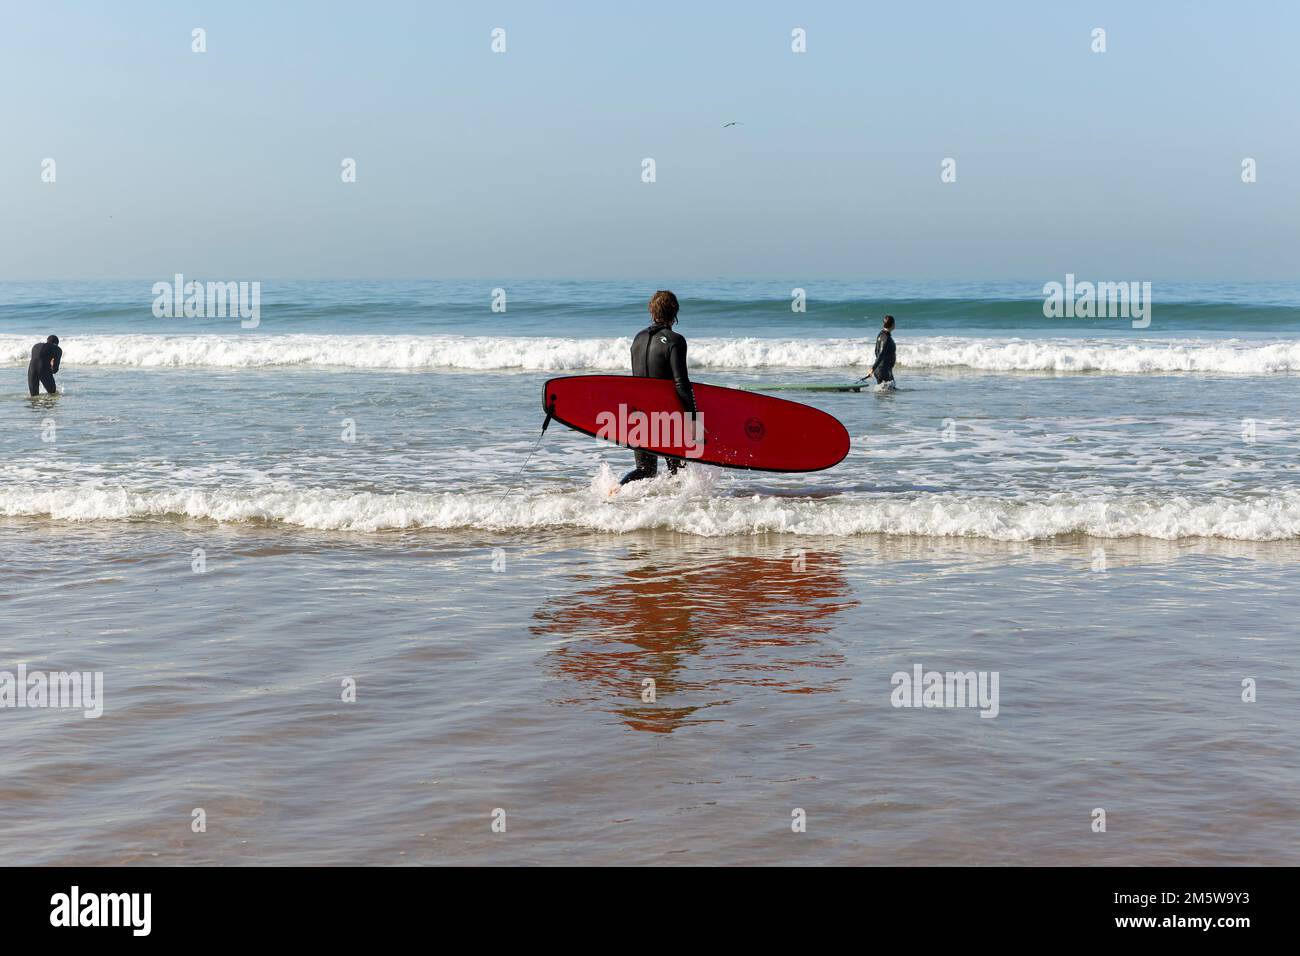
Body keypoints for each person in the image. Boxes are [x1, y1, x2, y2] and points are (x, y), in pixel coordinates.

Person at [620, 291, 696, 485]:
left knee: (644, 471)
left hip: (638, 413)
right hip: (666, 414)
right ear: (675, 311)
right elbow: (681, 383)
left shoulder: (637, 339)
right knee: (678, 471)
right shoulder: (675, 340)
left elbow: (637, 380)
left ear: (651, 310)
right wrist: (693, 418)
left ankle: (617, 489)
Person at [865, 315, 896, 386]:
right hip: (883, 370)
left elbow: (876, 351)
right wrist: (873, 368)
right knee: (888, 393)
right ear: (892, 324)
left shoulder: (881, 334)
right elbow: (881, 354)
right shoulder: (886, 338)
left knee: (884, 394)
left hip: (882, 369)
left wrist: (877, 367)